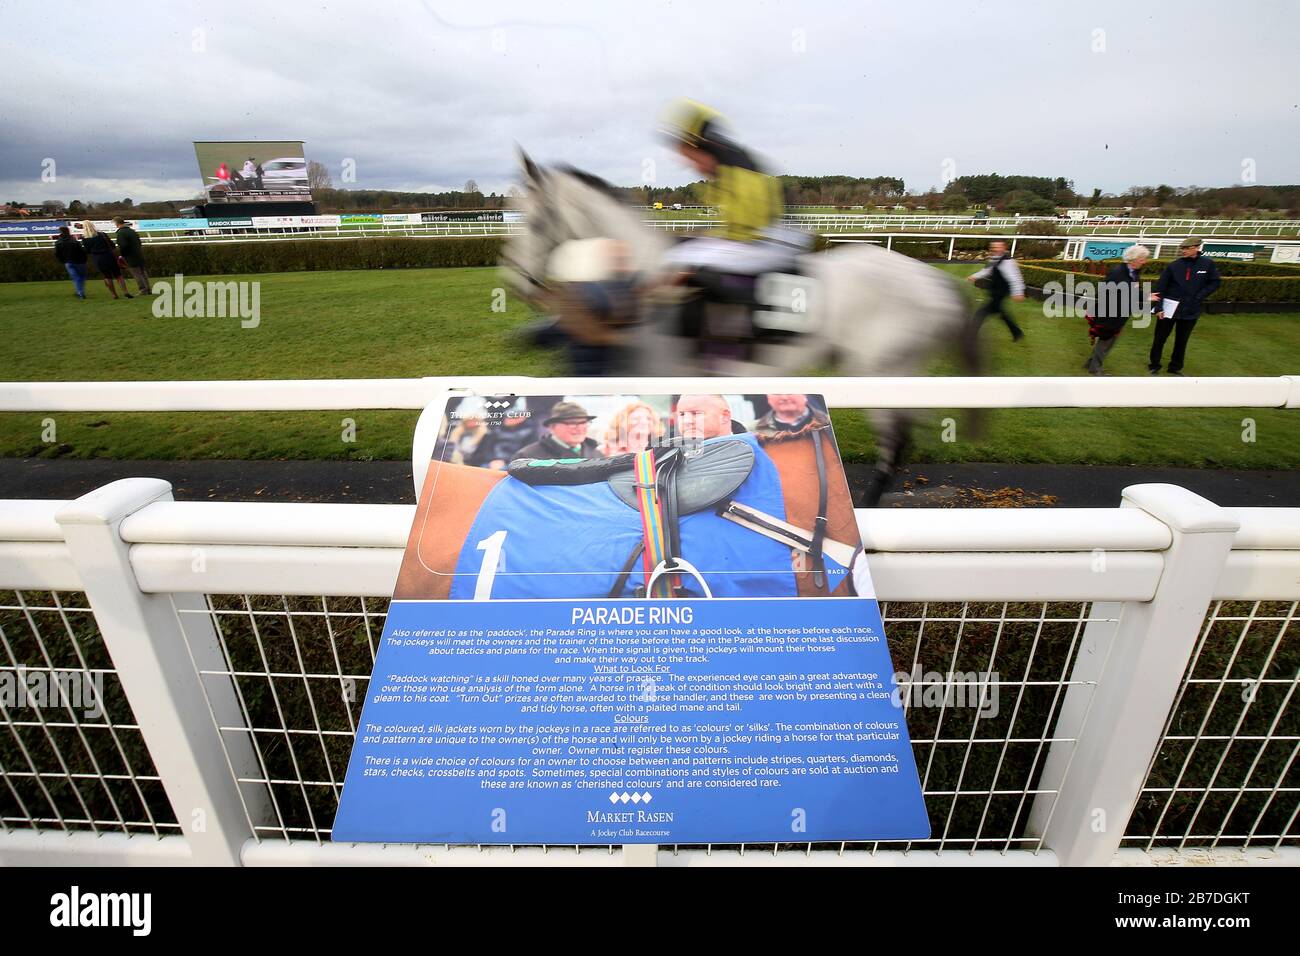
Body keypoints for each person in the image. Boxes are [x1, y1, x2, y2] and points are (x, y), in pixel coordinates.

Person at [1149, 237, 1222, 376]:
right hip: (1169, 309)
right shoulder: (1173, 266)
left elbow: (1215, 282)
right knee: (1160, 338)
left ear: (1196, 247)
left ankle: (1175, 367)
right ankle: (1154, 364)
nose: (1183, 251)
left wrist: (1200, 296)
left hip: (1191, 310)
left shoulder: (1207, 264)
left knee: (1182, 341)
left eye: (1186, 248)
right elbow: (1161, 288)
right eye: (1182, 248)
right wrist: (1158, 307)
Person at [1084, 245, 1150, 375]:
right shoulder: (1118, 273)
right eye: (1142, 259)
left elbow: (1133, 291)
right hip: (1110, 313)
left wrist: (1146, 296)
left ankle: (1090, 363)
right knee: (1106, 341)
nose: (1145, 261)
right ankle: (1095, 368)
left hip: (1120, 313)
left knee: (1107, 340)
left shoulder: (1134, 273)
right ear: (1133, 259)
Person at [967, 240, 1025, 341]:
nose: (995, 249)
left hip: (1000, 292)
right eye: (993, 247)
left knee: (982, 312)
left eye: (997, 247)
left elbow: (1015, 278)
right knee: (1000, 313)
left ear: (1004, 248)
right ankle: (1017, 332)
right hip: (995, 291)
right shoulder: (994, 259)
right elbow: (987, 271)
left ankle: (970, 335)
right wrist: (974, 276)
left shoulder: (1007, 262)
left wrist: (1018, 293)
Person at [514, 401, 605, 461]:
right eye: (572, 423)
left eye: (584, 422)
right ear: (552, 427)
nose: (579, 428)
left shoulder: (597, 454)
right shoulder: (527, 456)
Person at [78, 222, 132, 299]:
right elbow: (112, 245)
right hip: (109, 255)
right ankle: (125, 291)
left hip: (98, 258)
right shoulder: (102, 234)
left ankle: (114, 294)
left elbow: (88, 250)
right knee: (118, 275)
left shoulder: (85, 238)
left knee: (107, 276)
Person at [753, 393, 830, 434]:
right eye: (776, 393)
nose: (784, 397)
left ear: (805, 394)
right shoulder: (751, 431)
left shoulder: (829, 423)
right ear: (768, 397)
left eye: (790, 392)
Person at [112, 217, 151, 294]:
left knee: (137, 274)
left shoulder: (121, 233)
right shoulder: (131, 231)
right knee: (143, 273)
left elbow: (123, 246)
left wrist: (122, 255)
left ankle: (143, 290)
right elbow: (139, 242)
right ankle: (148, 289)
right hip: (138, 254)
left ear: (117, 223)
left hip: (130, 256)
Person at [53, 226, 89, 299]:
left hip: (68, 262)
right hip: (79, 262)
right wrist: (85, 259)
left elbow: (57, 254)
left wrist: (63, 261)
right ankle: (80, 292)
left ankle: (80, 292)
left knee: (76, 278)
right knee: (81, 277)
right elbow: (82, 251)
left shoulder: (58, 242)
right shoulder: (74, 241)